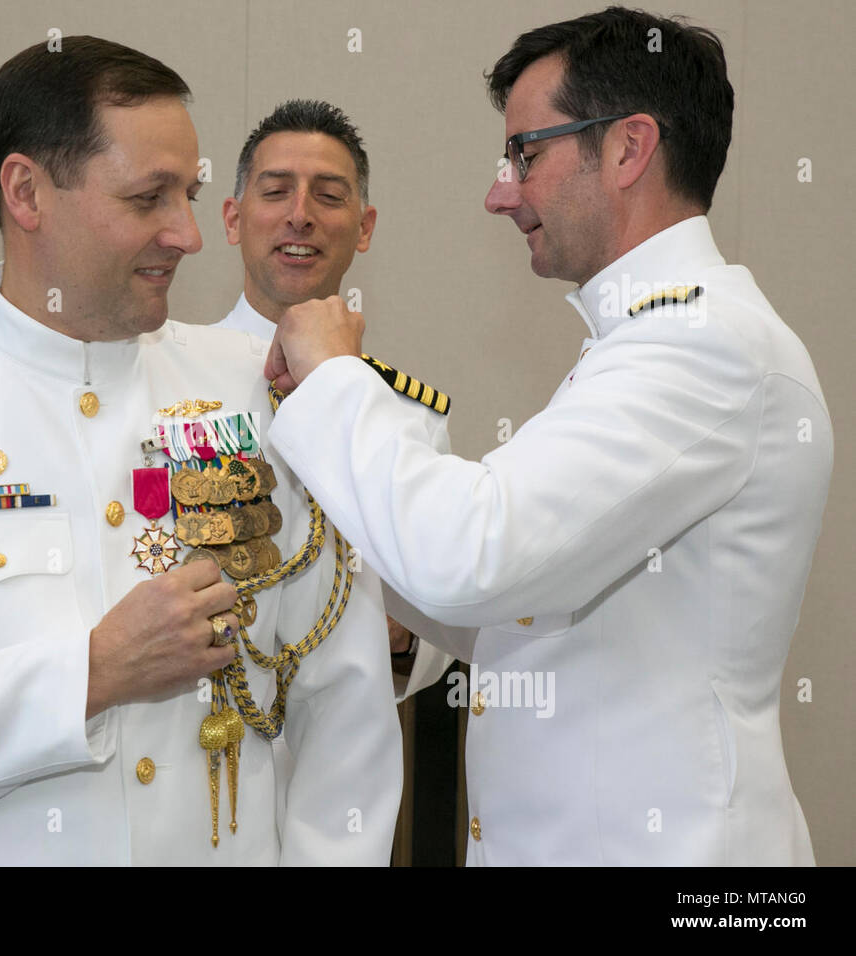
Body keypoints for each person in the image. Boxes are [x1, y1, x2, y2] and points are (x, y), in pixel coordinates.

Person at [0, 36, 402, 865]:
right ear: (27, 191)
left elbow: (340, 711)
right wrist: (87, 675)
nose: (189, 234)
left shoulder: (266, 392)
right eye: (148, 198)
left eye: (192, 194)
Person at [264, 6, 831, 865]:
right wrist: (392, 611)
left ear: (628, 149)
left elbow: (473, 555)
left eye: (526, 153)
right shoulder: (642, 341)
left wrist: (336, 377)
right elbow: (539, 600)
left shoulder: (701, 343)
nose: (500, 192)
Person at [218, 99, 457, 696]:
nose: (300, 217)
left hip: (345, 772)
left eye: (329, 195)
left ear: (365, 227)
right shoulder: (170, 387)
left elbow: (434, 621)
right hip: (206, 758)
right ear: (232, 219)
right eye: (275, 192)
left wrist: (408, 635)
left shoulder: (406, 416)